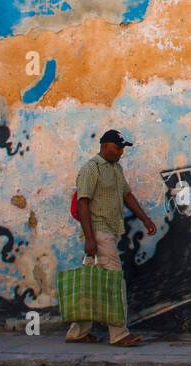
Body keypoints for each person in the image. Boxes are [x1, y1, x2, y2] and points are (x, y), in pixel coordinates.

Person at [65, 129, 156, 347]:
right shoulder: (91, 169)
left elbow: (127, 195)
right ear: (104, 146)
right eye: (117, 148)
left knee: (90, 283)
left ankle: (77, 332)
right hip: (98, 232)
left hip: (109, 232)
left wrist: (145, 219)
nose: (120, 152)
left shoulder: (116, 169)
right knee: (115, 282)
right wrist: (90, 238)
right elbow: (83, 203)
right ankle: (119, 334)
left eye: (122, 148)